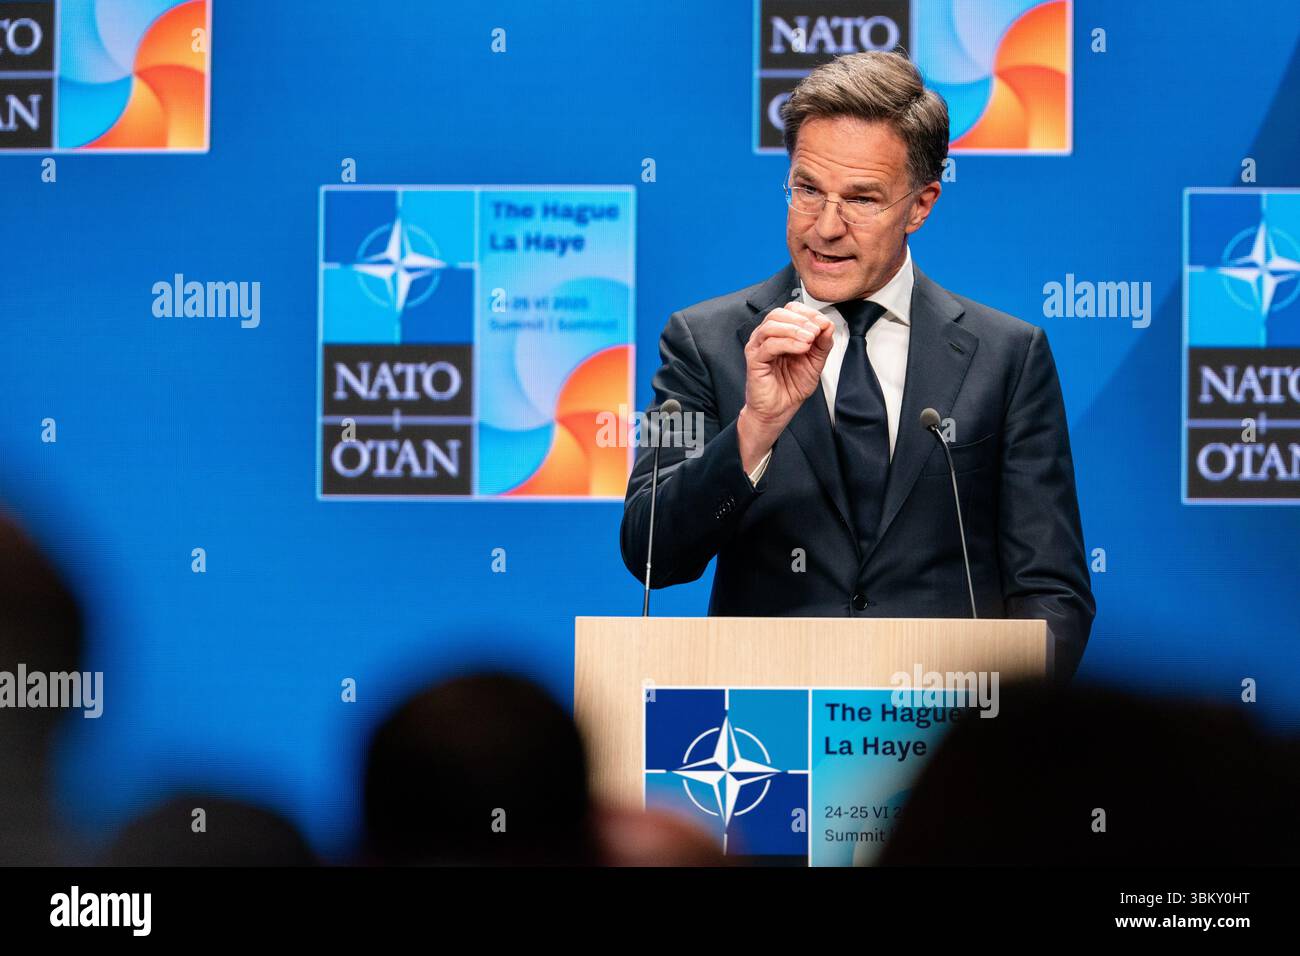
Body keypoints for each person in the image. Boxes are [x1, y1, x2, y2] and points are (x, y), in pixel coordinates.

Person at [621, 51, 1094, 680]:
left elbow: (1051, 590)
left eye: (862, 199)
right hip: (768, 740)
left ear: (921, 204)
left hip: (939, 743)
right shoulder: (703, 341)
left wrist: (997, 741)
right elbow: (652, 552)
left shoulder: (1006, 355)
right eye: (807, 189)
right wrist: (754, 431)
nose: (825, 227)